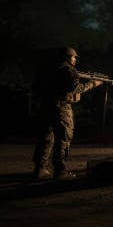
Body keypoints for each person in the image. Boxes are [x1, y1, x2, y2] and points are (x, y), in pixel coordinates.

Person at [32, 47, 103, 179]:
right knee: (63, 138)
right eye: (74, 57)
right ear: (68, 57)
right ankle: (61, 171)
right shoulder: (68, 69)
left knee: (46, 137)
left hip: (46, 106)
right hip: (61, 107)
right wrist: (93, 84)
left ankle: (40, 168)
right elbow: (75, 88)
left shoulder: (48, 68)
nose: (75, 59)